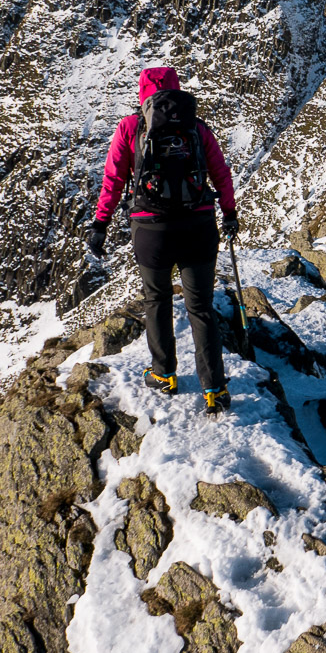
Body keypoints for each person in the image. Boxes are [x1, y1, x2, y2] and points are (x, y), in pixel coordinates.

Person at [86, 66, 239, 413]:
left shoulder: (130, 127)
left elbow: (113, 179)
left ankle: (164, 375)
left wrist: (100, 223)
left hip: (150, 229)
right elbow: (220, 173)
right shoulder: (197, 128)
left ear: (143, 95)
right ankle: (214, 389)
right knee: (200, 307)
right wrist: (229, 213)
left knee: (157, 300)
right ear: (177, 90)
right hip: (199, 226)